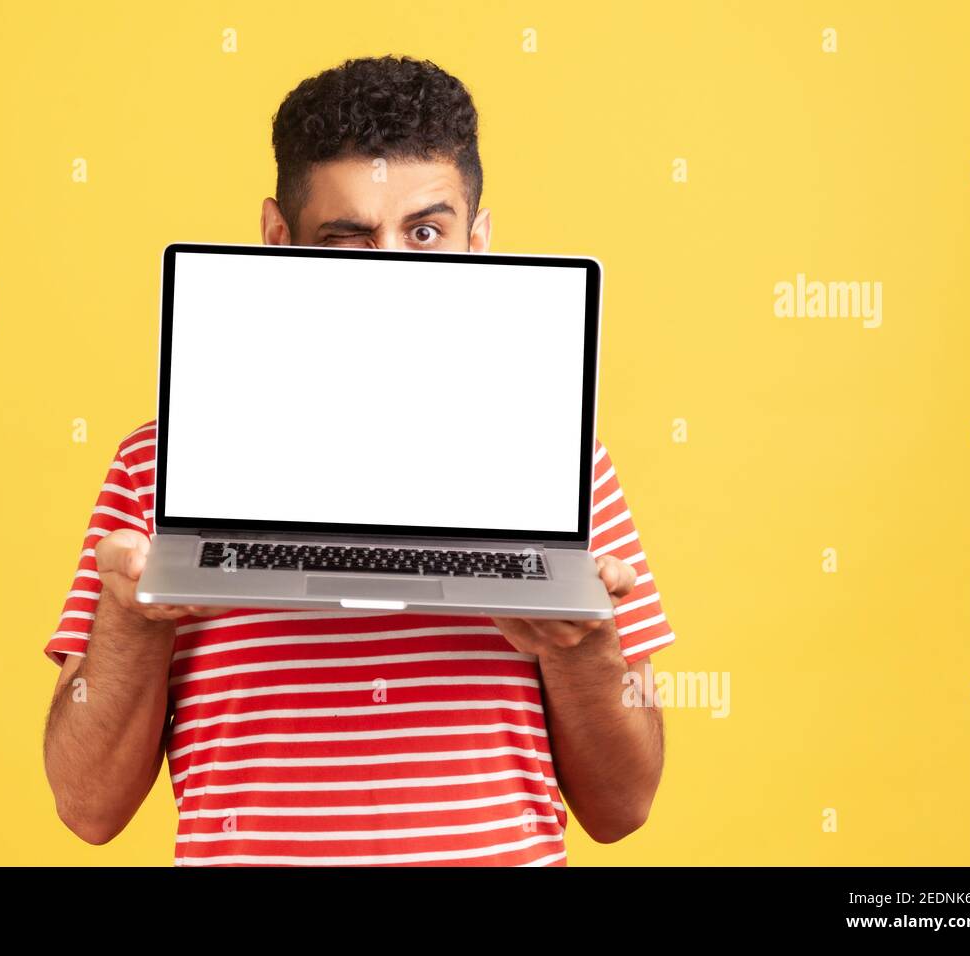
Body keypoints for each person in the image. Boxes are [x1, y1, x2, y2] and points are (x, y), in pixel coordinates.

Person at [42, 55, 675, 866]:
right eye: (347, 239)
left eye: (424, 233)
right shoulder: (158, 465)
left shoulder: (565, 467)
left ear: (478, 240)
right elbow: (87, 809)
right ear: (278, 239)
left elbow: (624, 808)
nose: (392, 272)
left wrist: (584, 648)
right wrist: (131, 622)